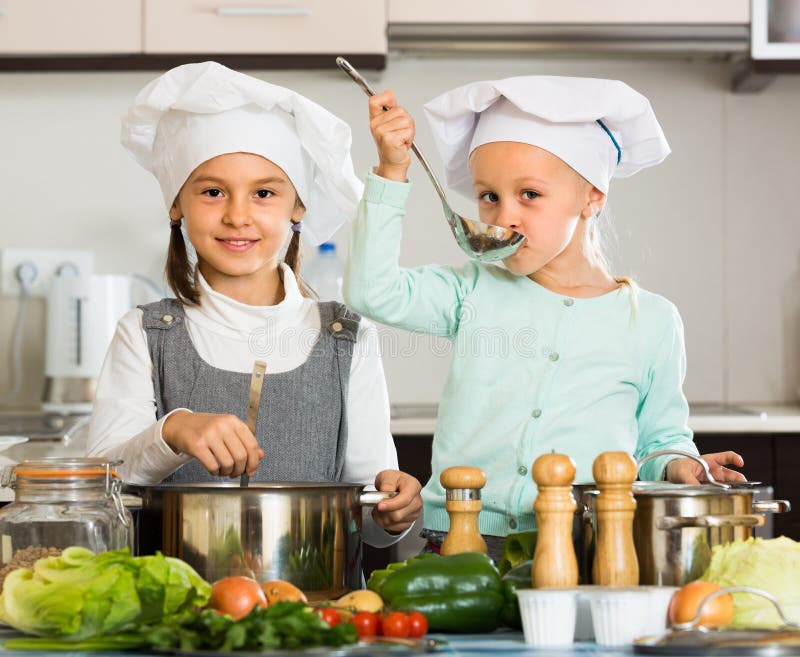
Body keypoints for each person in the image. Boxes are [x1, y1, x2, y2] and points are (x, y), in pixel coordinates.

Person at [342, 75, 745, 557]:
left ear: (592, 196)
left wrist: (682, 465)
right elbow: (372, 291)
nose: (503, 217)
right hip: (460, 543)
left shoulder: (652, 321)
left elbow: (658, 441)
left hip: (584, 548)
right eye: (489, 196)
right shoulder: (471, 288)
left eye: (529, 194)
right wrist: (392, 170)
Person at [87, 61, 421, 542]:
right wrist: (173, 431)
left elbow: (371, 519)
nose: (237, 215)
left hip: (314, 588)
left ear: (298, 206)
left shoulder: (348, 338)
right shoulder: (144, 333)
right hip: (177, 591)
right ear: (176, 204)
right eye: (213, 192)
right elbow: (101, 486)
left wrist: (394, 510)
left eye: (263, 192)